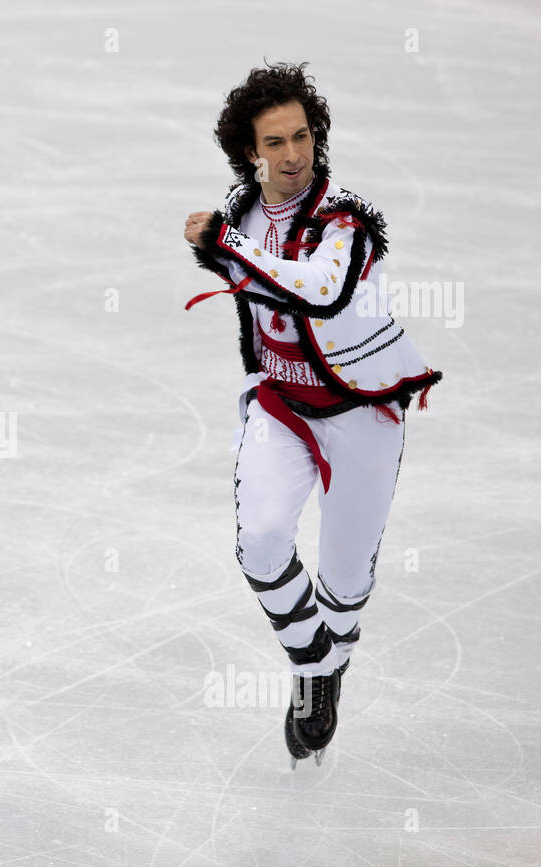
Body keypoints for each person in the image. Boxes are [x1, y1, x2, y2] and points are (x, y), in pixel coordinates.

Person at [183, 64, 441, 767]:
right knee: (262, 539)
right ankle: (314, 670)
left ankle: (326, 663)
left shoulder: (346, 219)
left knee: (347, 578)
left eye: (302, 136)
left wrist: (224, 247)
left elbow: (320, 292)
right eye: (276, 142)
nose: (294, 153)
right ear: (250, 152)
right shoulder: (240, 212)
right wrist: (222, 248)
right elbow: (250, 277)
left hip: (362, 412)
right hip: (284, 402)